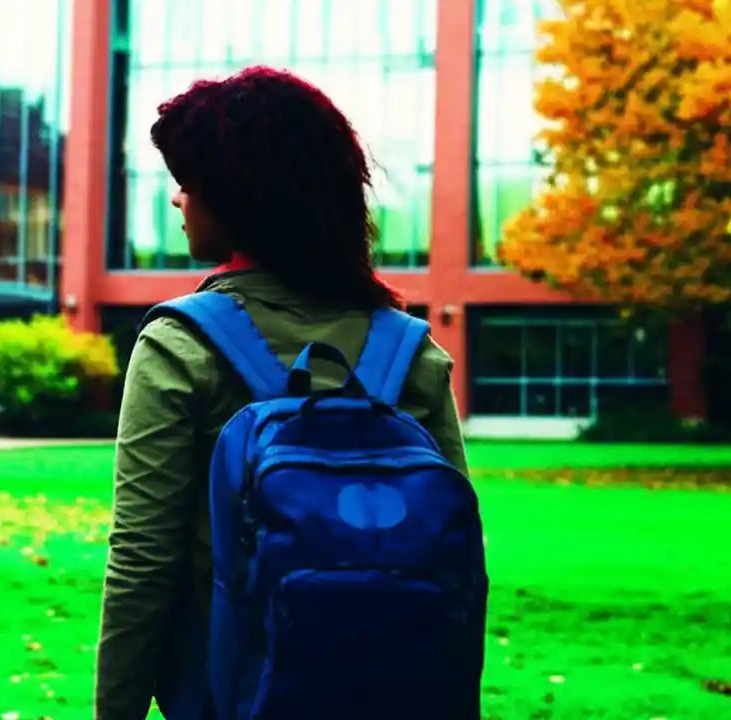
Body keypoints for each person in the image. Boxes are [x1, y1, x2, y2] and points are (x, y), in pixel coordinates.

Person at [96, 65, 476, 720]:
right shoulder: (406, 349)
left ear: (238, 195)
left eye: (188, 182)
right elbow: (457, 563)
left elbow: (142, 563)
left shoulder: (180, 345)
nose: (177, 200)